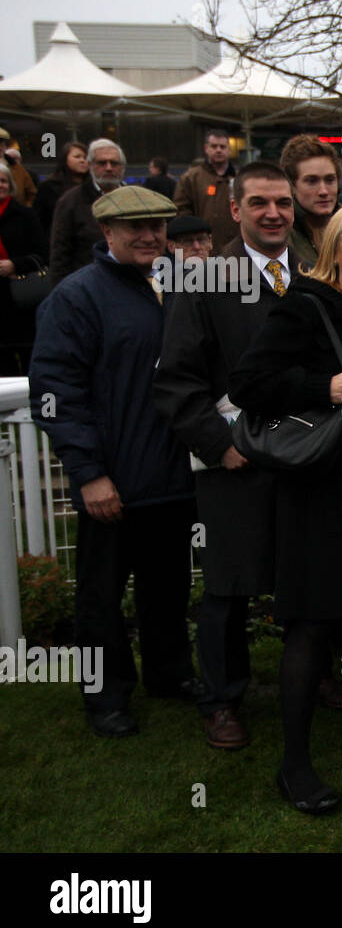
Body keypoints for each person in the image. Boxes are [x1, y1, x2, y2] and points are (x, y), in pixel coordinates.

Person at [229, 203, 342, 811]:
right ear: (333, 248)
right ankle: (295, 763)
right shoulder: (304, 306)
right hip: (320, 494)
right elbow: (247, 385)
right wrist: (322, 386)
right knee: (311, 624)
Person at [28, 186, 198, 739]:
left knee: (168, 585)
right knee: (101, 597)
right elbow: (56, 392)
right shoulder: (76, 297)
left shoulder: (180, 284)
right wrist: (89, 473)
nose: (150, 236)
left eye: (157, 227)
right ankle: (105, 696)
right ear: (106, 233)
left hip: (173, 473)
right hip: (114, 479)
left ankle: (170, 674)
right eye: (136, 229)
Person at [154, 162, 300, 752]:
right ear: (234, 210)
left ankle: (314, 678)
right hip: (235, 464)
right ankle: (221, 699)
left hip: (305, 462)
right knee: (226, 589)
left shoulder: (316, 275)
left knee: (305, 578)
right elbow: (175, 382)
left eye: (283, 203)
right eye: (260, 202)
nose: (274, 213)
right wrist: (221, 446)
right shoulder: (203, 282)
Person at [49, 138, 125, 287]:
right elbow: (60, 253)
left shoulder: (136, 198)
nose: (109, 168)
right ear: (90, 166)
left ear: (122, 167)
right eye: (102, 163)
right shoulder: (71, 201)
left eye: (114, 163)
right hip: (88, 286)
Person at [0, 162, 48, 375]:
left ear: (10, 185)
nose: (0, 185)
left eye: (3, 181)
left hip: (20, 296)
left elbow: (44, 253)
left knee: (25, 354)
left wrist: (15, 264)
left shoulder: (25, 214)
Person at [280, 133, 341, 267]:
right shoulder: (280, 237)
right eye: (312, 181)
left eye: (330, 180)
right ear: (292, 186)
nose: (323, 191)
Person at [174, 129, 239, 249]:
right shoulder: (190, 178)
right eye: (214, 146)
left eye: (222, 147)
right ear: (206, 148)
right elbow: (181, 210)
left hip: (235, 247)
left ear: (229, 150)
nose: (218, 150)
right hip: (201, 248)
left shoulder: (240, 178)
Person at [33, 141, 88, 236]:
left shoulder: (92, 186)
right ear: (65, 159)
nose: (82, 160)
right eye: (77, 157)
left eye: (85, 157)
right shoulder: (48, 186)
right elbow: (39, 220)